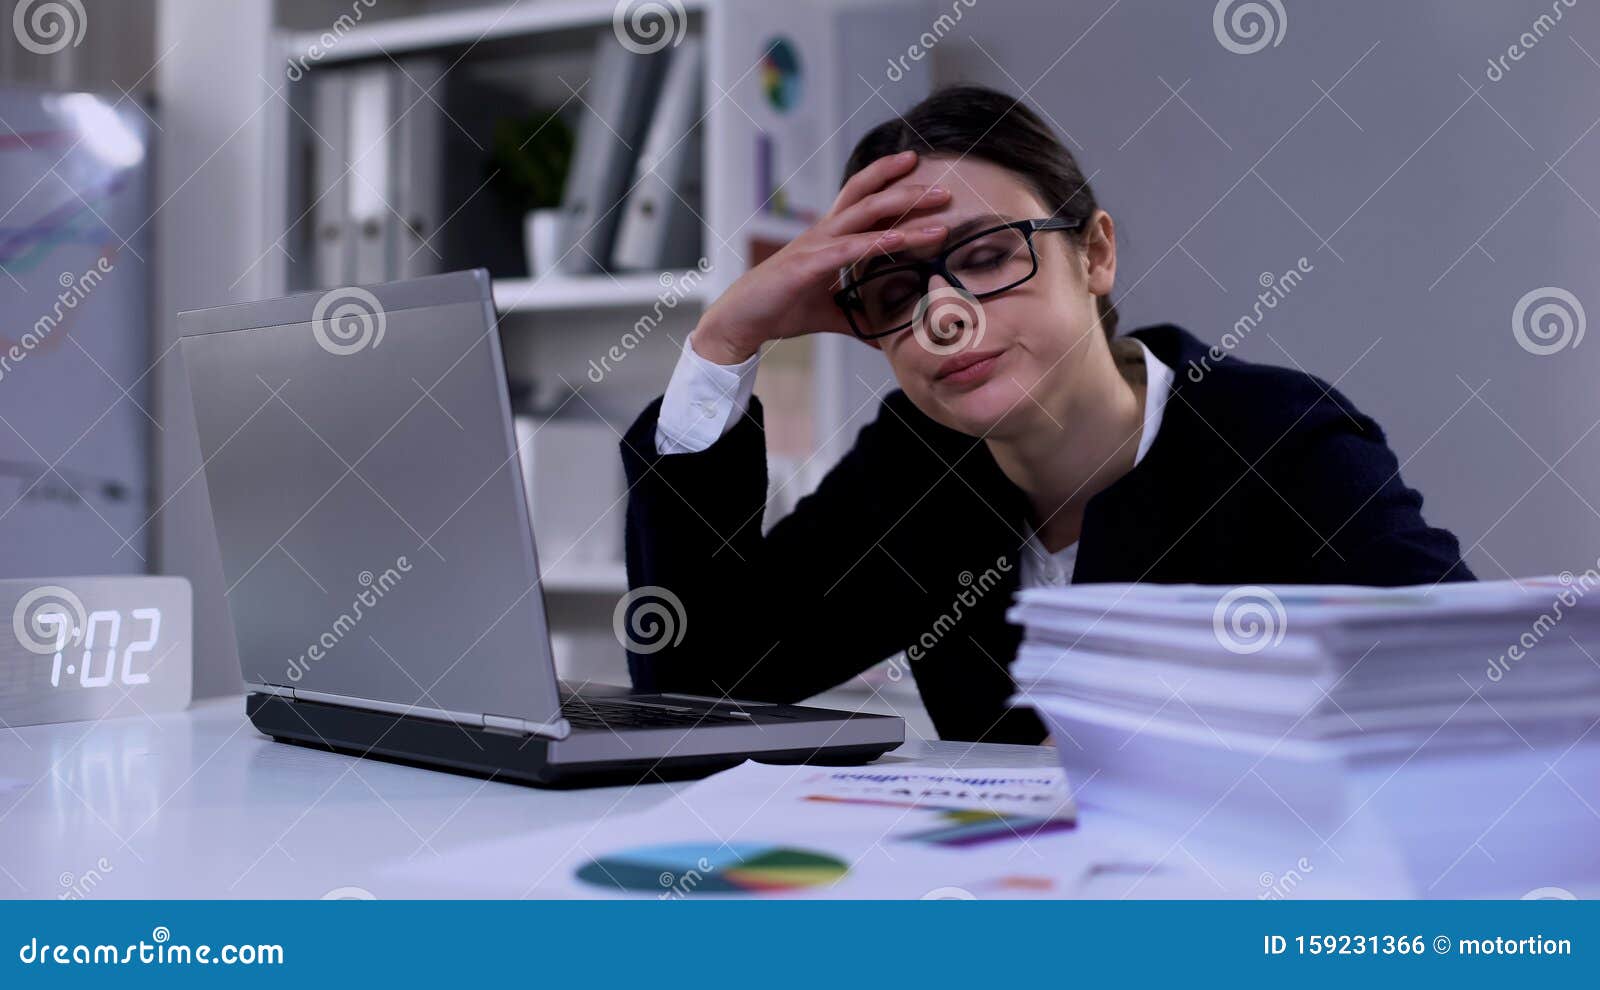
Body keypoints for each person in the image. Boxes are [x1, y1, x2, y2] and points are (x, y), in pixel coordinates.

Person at [617, 84, 1472, 744]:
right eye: (895, 292)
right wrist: (726, 341)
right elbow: (700, 689)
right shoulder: (917, 460)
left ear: (1095, 254)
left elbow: (1473, 699)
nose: (943, 316)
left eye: (989, 257)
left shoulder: (1277, 437)